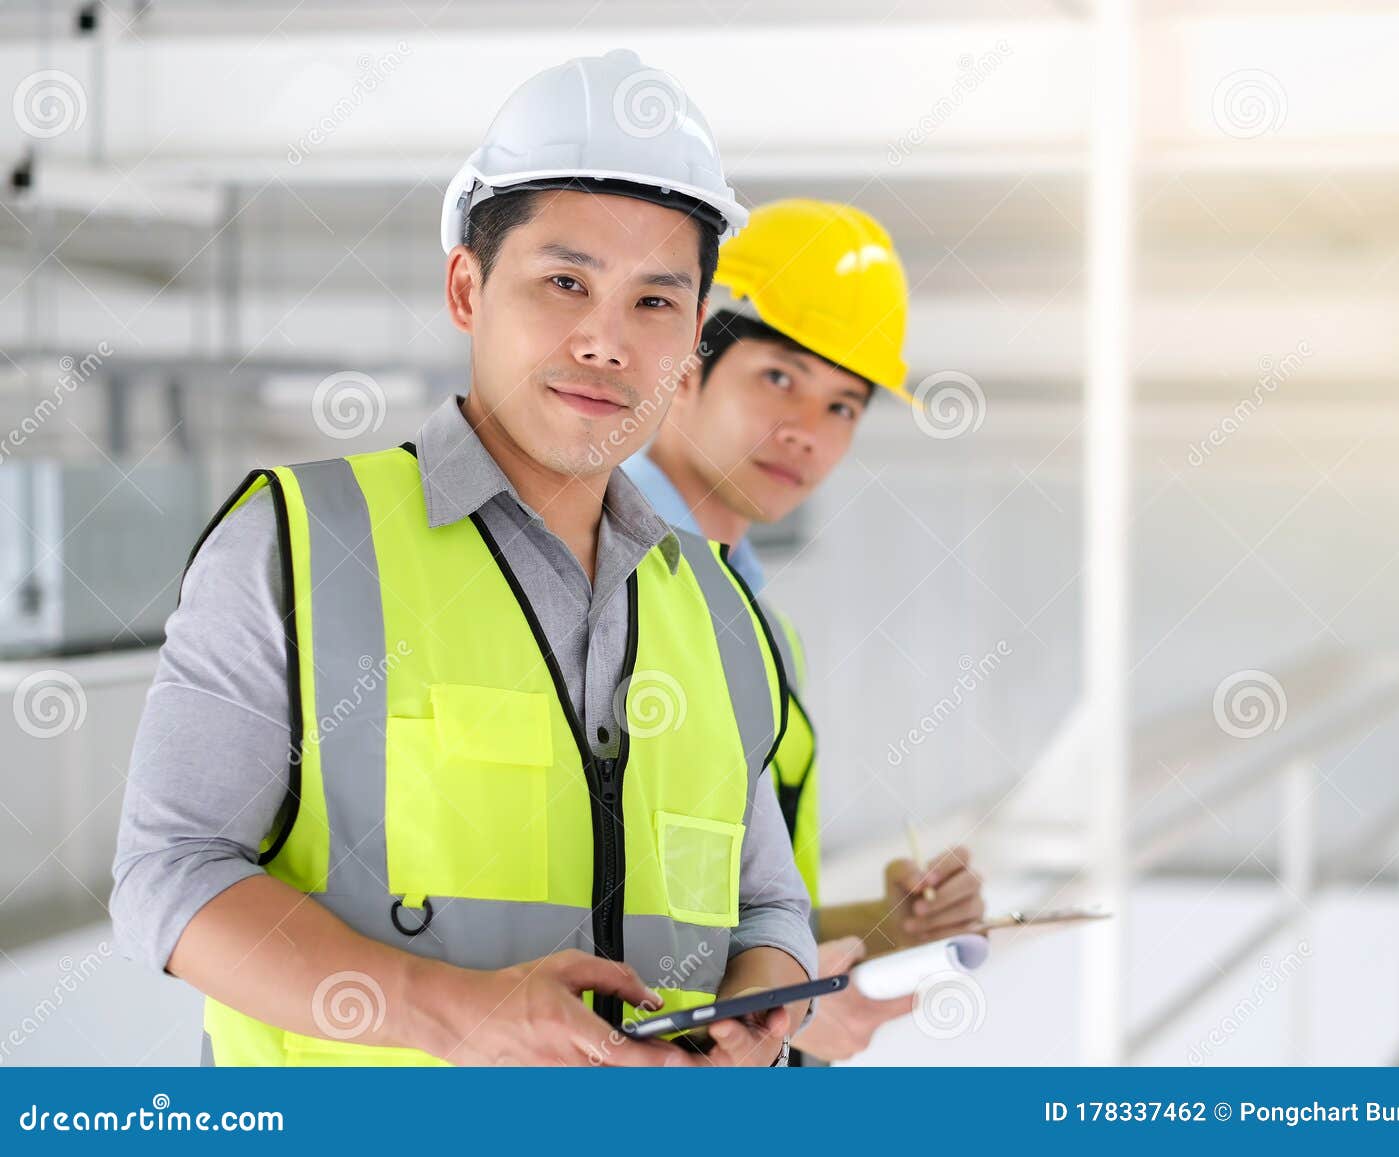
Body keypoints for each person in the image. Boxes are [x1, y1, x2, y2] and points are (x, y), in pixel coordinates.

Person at [110, 50, 815, 1068]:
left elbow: (767, 902)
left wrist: (760, 1007)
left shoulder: (721, 611)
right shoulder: (299, 541)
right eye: (565, 282)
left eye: (655, 304)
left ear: (696, 334)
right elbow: (168, 874)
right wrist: (456, 1011)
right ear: (465, 285)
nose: (607, 341)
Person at [624, 198, 986, 1063]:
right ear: (684, 362)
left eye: (844, 407)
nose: (807, 433)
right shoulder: (595, 575)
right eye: (780, 378)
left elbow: (706, 903)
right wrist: (794, 1014)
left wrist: (882, 926)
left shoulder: (756, 624)